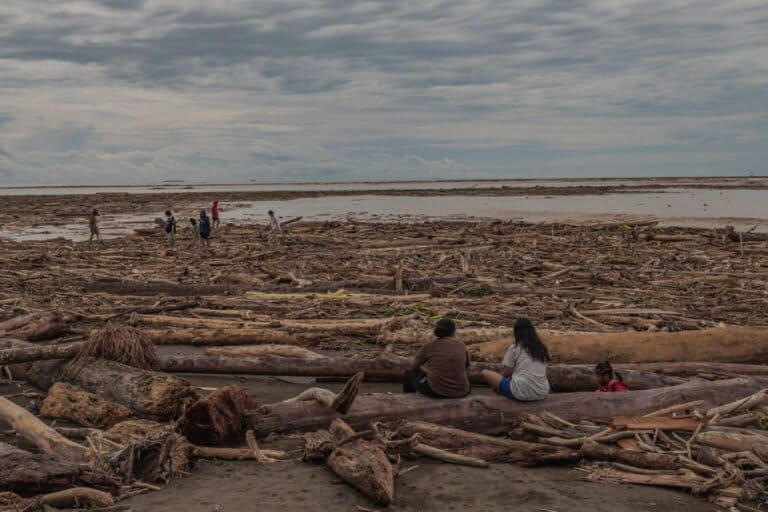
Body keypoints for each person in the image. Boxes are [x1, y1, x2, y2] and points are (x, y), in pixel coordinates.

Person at [481, 318, 550, 401]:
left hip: (520, 391)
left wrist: (496, 383)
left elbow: (507, 371)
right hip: (542, 391)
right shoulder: (541, 348)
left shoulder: (515, 347)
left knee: (485, 373)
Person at [403, 318, 470, 399]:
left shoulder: (430, 345)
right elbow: (467, 366)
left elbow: (414, 366)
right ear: (453, 331)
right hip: (462, 391)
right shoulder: (461, 345)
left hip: (437, 392)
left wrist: (427, 371)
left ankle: (407, 400)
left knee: (409, 373)